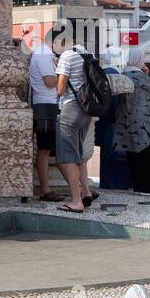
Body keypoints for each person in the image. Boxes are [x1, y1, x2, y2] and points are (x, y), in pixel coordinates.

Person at [54, 44, 97, 214]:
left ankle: (76, 201)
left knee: (68, 156)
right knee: (78, 154)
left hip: (71, 108)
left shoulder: (66, 56)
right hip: (87, 108)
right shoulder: (87, 53)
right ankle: (86, 192)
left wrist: (56, 71)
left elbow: (60, 89)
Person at [113, 50, 150, 193]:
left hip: (126, 122)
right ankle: (147, 187)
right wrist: (147, 74)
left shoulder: (123, 76)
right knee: (147, 156)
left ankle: (137, 186)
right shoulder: (141, 77)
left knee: (133, 155)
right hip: (143, 124)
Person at [27, 38, 60, 201]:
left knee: (49, 149)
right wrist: (64, 75)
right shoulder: (44, 55)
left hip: (46, 103)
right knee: (45, 149)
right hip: (46, 104)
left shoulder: (43, 53)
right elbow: (49, 82)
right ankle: (45, 189)